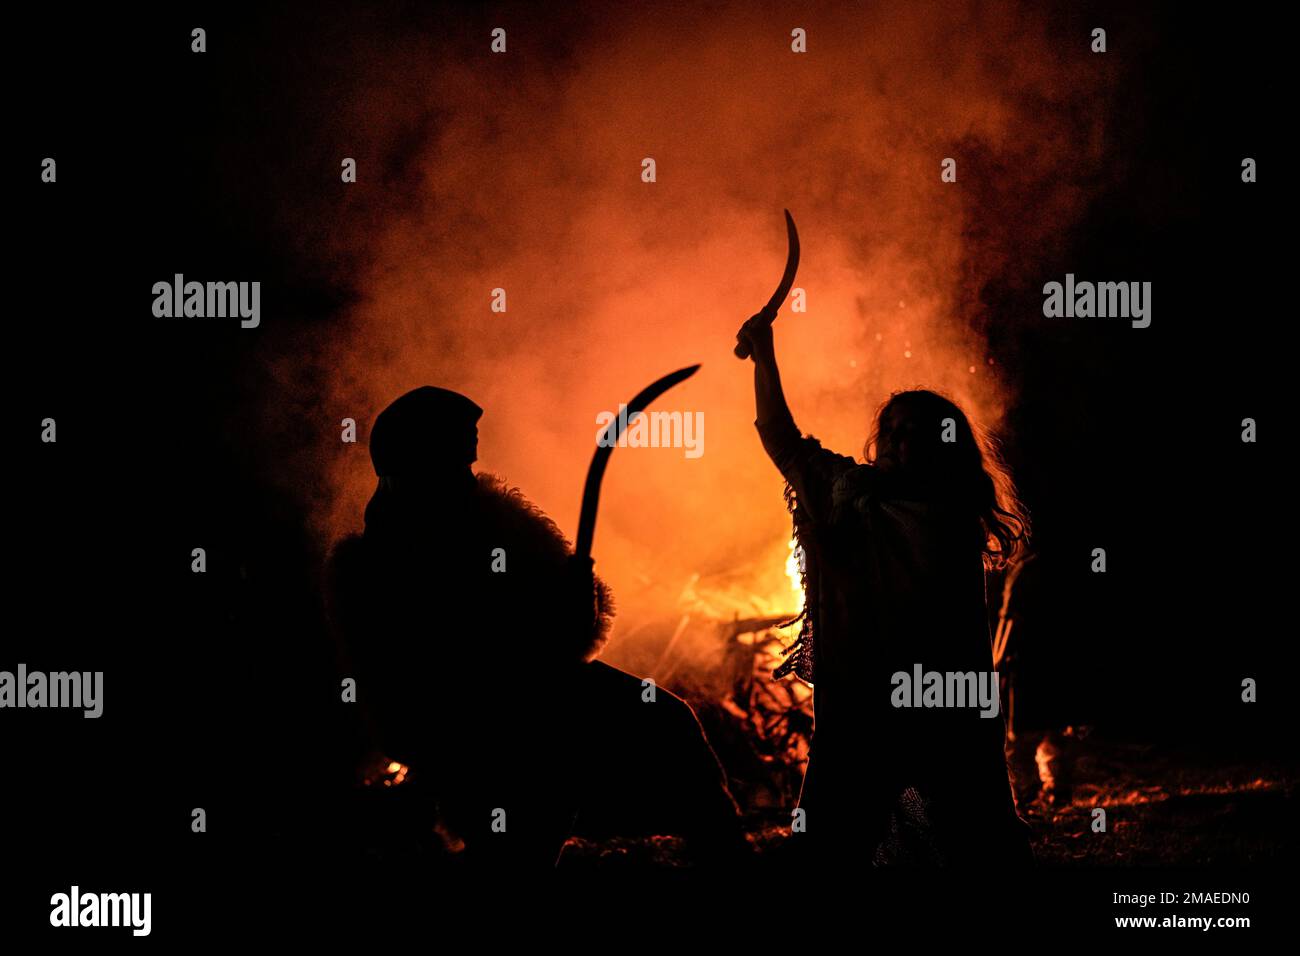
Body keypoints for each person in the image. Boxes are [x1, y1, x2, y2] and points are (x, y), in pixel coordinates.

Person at [327, 386, 745, 870]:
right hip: (474, 721)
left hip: (539, 695)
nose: (473, 447)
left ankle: (727, 859)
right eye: (461, 437)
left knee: (667, 724)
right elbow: (429, 663)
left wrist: (572, 595)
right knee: (521, 833)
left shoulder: (497, 519)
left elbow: (564, 632)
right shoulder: (380, 558)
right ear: (427, 450)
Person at [735, 316, 1034, 866]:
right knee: (833, 846)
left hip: (941, 703)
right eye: (890, 429)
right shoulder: (852, 492)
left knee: (973, 845)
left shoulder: (949, 516)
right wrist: (765, 357)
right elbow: (784, 441)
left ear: (943, 447)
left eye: (913, 431)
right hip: (860, 705)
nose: (897, 441)